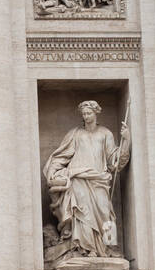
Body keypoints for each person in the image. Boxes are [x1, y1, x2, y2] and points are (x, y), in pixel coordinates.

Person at [44, 100, 130, 260]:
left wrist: (126, 141)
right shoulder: (75, 134)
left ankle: (108, 248)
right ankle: (85, 249)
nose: (86, 116)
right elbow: (62, 156)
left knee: (106, 212)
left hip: (99, 179)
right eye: (83, 114)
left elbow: (115, 162)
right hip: (79, 178)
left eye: (89, 113)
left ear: (96, 113)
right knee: (82, 214)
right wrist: (54, 170)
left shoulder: (106, 134)